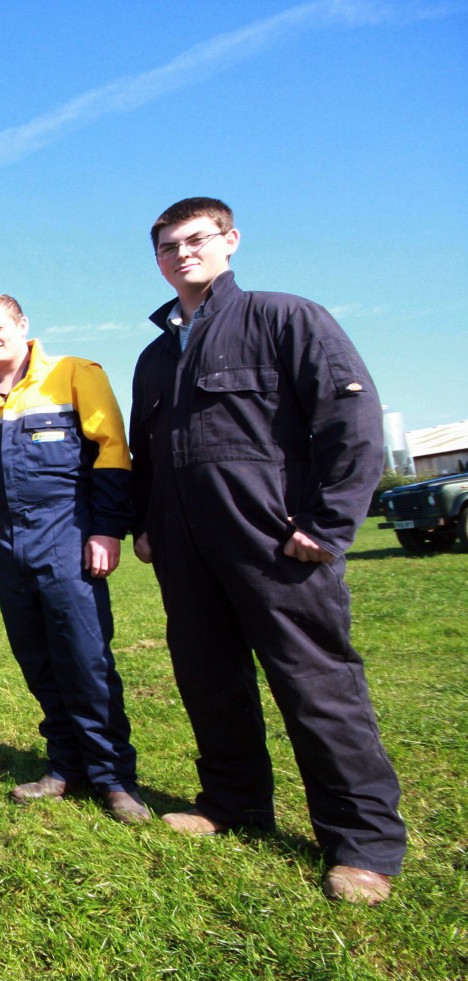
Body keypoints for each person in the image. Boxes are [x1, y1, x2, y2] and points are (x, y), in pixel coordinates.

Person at [130, 197, 405, 903]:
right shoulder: (156, 358)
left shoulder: (285, 318)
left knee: (317, 687)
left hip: (275, 542)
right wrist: (147, 523)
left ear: (231, 241)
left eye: (196, 240)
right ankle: (233, 803)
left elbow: (351, 418)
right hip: (188, 551)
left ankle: (361, 844)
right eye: (167, 246)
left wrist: (330, 520)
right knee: (208, 680)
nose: (182, 254)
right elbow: (147, 456)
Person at [0, 295, 149, 824]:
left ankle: (114, 779)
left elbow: (113, 452)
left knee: (85, 660)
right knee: (38, 663)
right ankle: (65, 766)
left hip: (68, 539)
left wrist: (108, 530)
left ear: (23, 325)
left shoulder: (73, 375)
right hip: (9, 550)